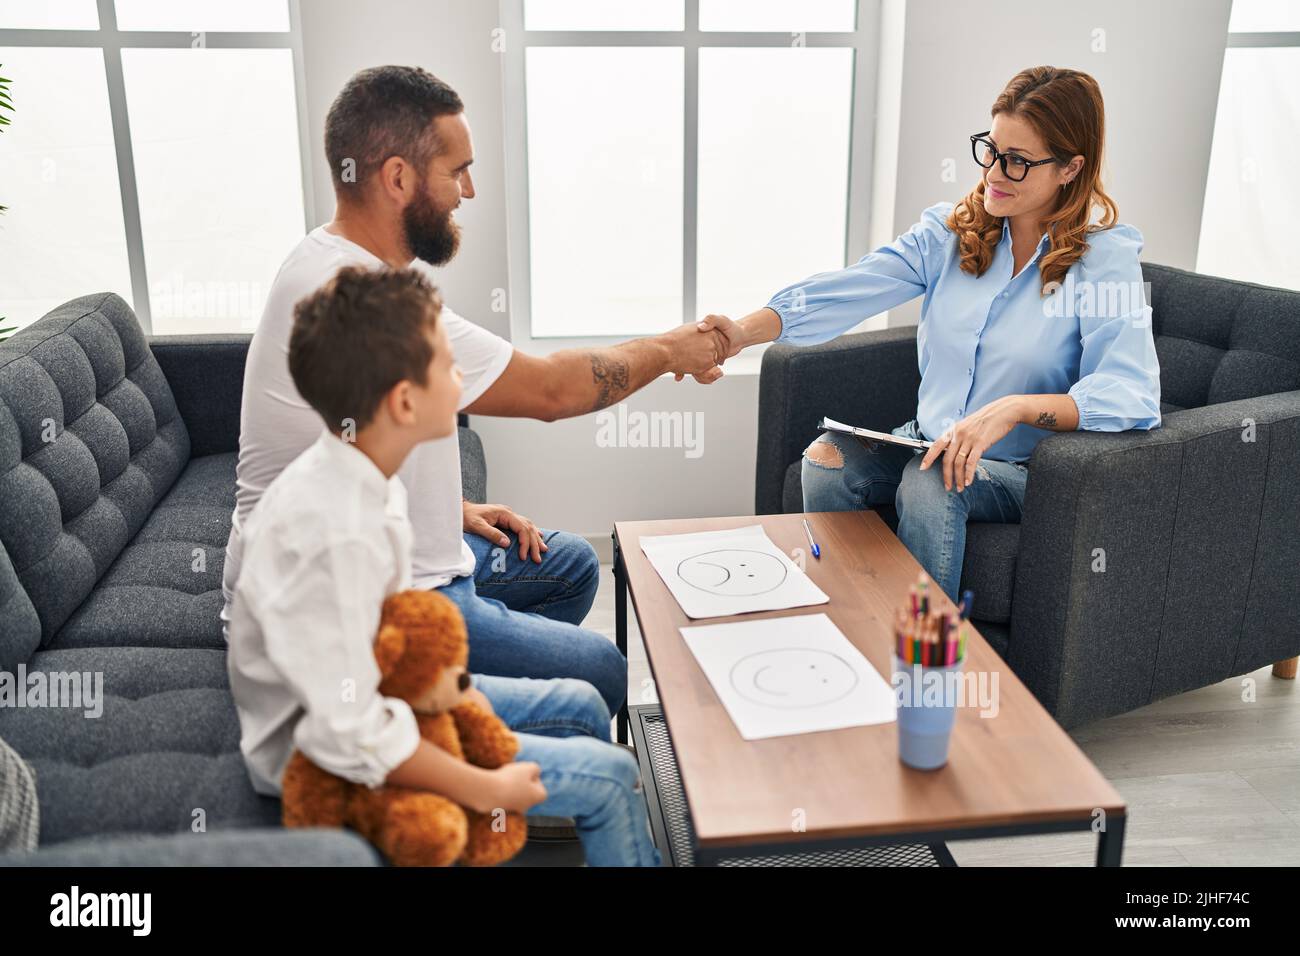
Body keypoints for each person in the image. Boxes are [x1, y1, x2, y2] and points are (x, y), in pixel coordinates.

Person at [222, 65, 728, 718]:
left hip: (387, 555)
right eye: (456, 171)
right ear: (398, 178)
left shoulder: (334, 258)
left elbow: (346, 442)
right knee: (602, 668)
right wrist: (668, 352)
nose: (470, 189)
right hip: (356, 605)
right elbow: (549, 392)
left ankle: (498, 711)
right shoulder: (361, 298)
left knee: (570, 564)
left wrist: (452, 509)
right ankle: (526, 751)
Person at [226, 266, 660, 866]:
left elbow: (396, 651)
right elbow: (348, 732)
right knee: (612, 779)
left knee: (584, 705)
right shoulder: (336, 528)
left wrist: (462, 703)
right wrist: (487, 787)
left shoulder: (367, 478)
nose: (462, 376)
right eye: (447, 364)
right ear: (404, 401)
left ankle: (554, 830)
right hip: (332, 761)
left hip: (392, 698)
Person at [697, 66, 1161, 603]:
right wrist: (740, 333)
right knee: (827, 461)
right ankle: (848, 624)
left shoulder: (1102, 261)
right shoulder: (951, 233)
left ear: (1069, 168)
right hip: (925, 438)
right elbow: (851, 287)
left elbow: (1132, 392)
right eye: (990, 149)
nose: (994, 172)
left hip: (1023, 470)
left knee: (932, 477)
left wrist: (1014, 408)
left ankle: (922, 670)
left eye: (1017, 161)